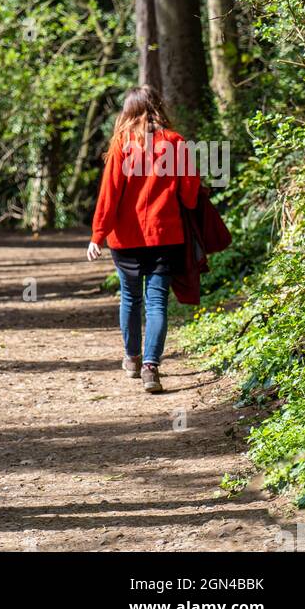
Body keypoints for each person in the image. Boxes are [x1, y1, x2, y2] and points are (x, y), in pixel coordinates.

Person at [87, 85, 200, 394]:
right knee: (157, 303)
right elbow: (190, 197)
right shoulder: (176, 143)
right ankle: (152, 367)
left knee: (130, 297)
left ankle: (132, 358)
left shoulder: (123, 144)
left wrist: (98, 235)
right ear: (157, 107)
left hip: (125, 239)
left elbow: (109, 196)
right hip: (166, 236)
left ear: (128, 112)